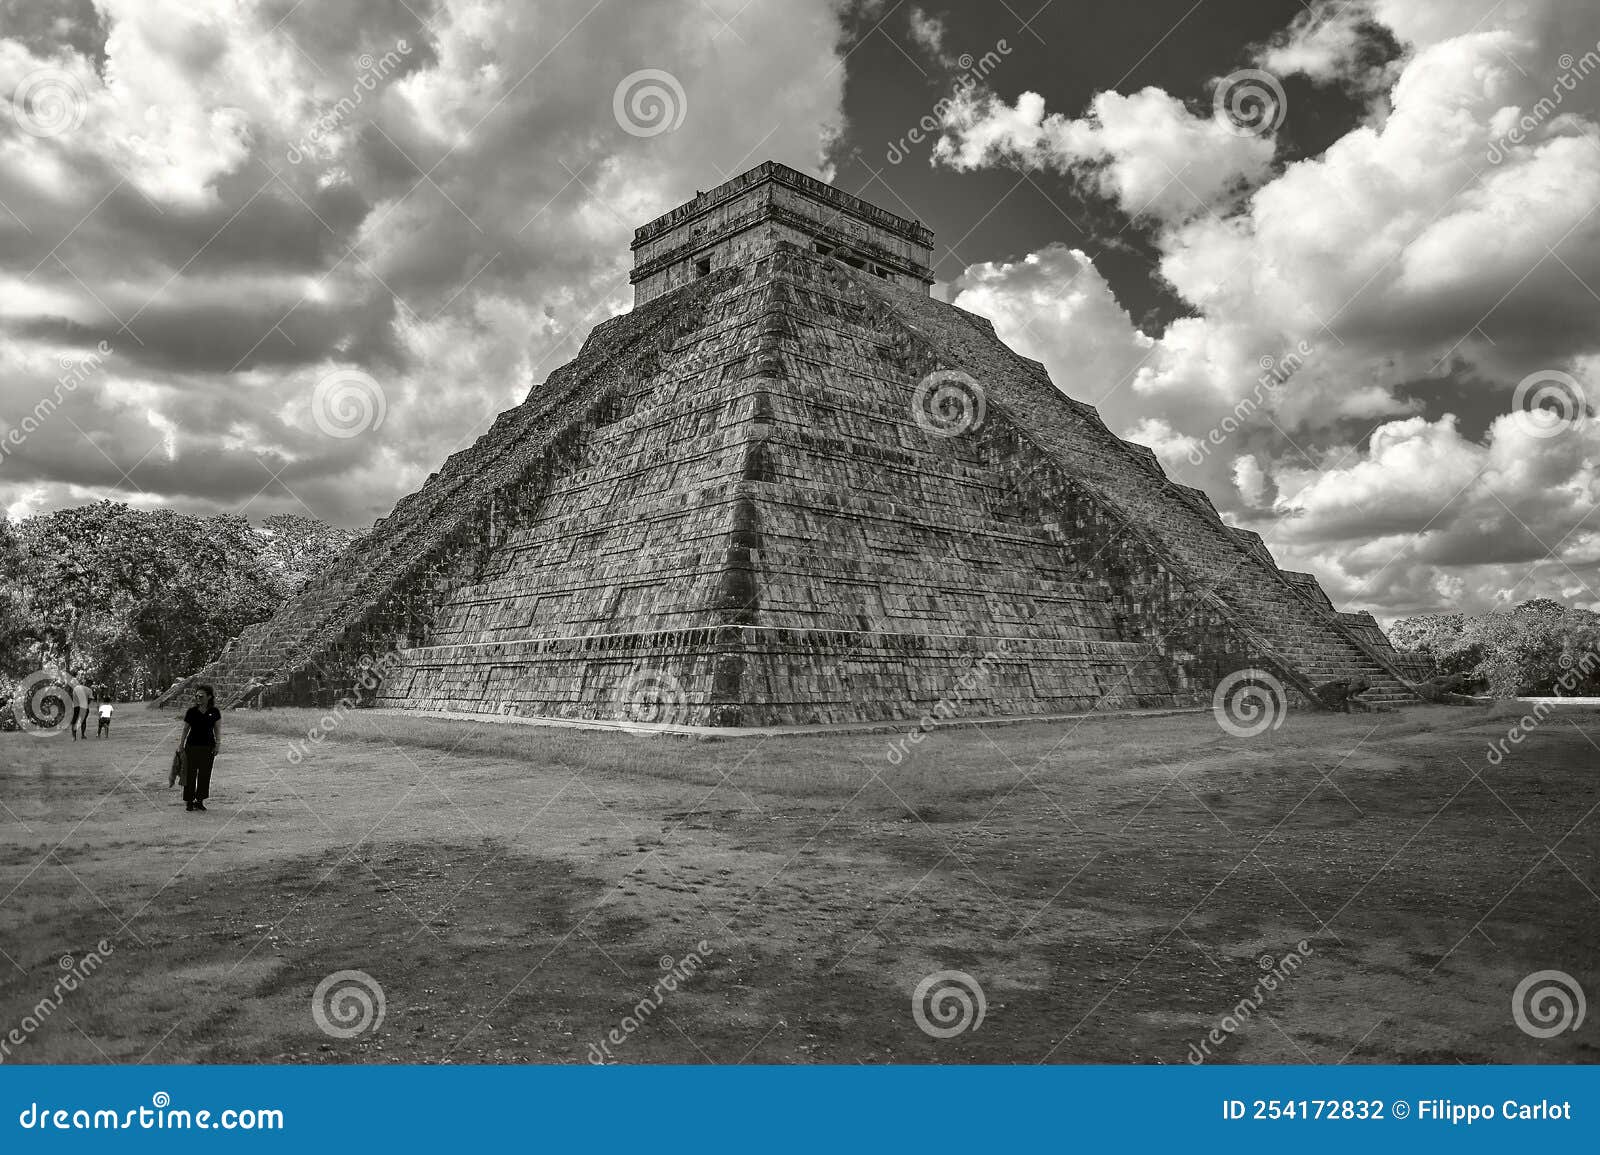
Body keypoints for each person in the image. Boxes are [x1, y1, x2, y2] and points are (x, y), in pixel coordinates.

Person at [177, 685, 223, 812]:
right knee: (190, 775)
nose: (198, 698)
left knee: (204, 775)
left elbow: (217, 730)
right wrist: (181, 744)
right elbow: (185, 729)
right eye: (196, 696)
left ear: (209, 697)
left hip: (208, 747)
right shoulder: (191, 712)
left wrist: (218, 745)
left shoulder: (214, 712)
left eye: (201, 696)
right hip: (191, 747)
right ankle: (189, 801)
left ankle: (200, 800)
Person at [69, 675, 89, 740]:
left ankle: (74, 737)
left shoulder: (74, 689)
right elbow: (90, 699)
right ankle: (83, 735)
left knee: (74, 721)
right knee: (83, 721)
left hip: (76, 707)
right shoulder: (88, 689)